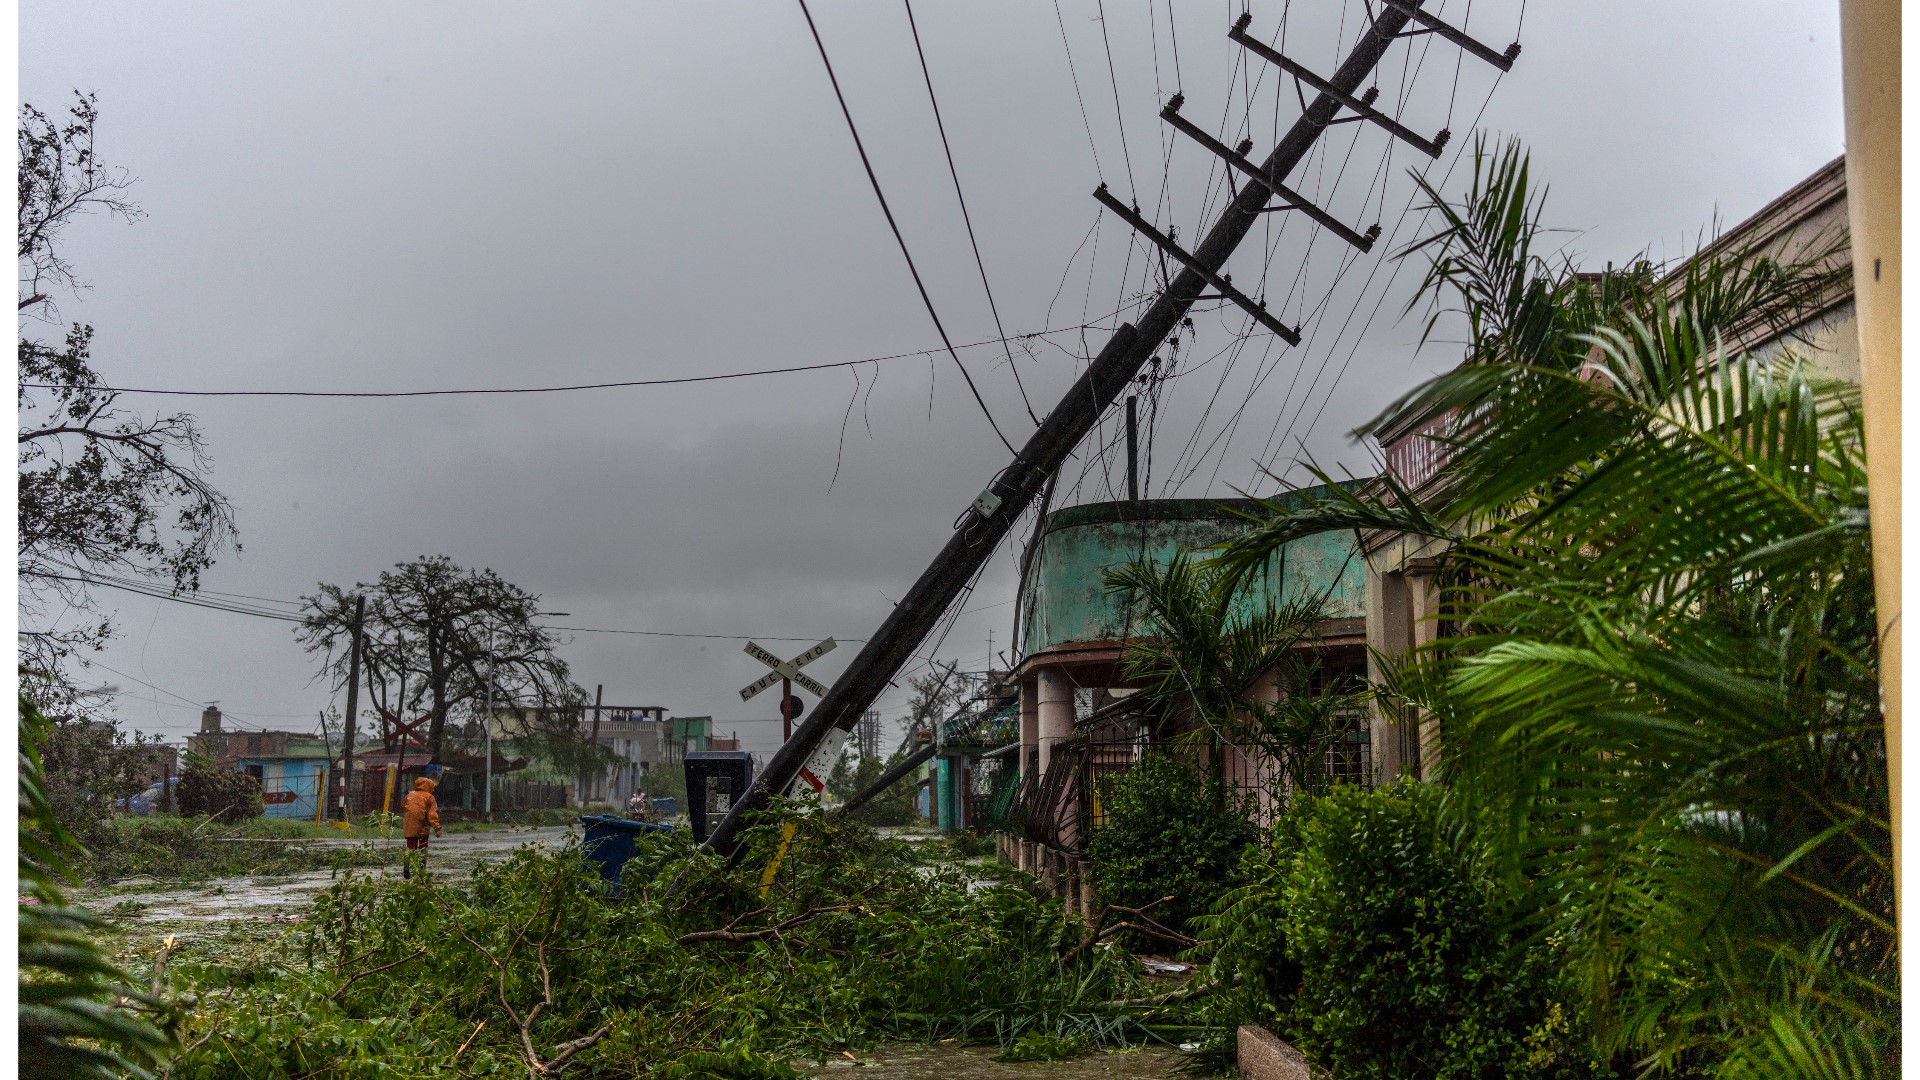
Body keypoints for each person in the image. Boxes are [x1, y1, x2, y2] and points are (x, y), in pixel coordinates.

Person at [401, 775, 442, 879]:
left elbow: (403, 806)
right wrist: (437, 828)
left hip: (410, 824)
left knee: (410, 847)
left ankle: (406, 867)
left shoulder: (410, 795)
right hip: (423, 825)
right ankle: (422, 870)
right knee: (423, 846)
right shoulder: (429, 797)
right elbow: (432, 814)